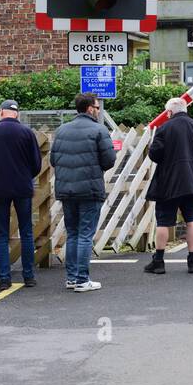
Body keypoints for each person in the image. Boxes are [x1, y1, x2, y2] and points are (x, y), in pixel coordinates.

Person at [50, 93, 116, 291]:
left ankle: (71, 278)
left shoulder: (62, 130)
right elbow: (109, 160)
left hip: (66, 189)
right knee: (85, 235)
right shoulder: (98, 130)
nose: (98, 111)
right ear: (89, 109)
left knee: (73, 234)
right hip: (89, 189)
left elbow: (54, 160)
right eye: (97, 107)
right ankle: (81, 279)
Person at [143, 98, 193, 275]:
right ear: (185, 110)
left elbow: (155, 155)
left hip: (169, 182)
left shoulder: (164, 128)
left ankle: (158, 261)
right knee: (191, 220)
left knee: (164, 221)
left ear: (169, 112)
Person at [0, 99, 42, 290]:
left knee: (2, 234)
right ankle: (29, 276)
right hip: (23, 187)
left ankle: (4, 279)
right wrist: (25, 175)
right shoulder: (27, 132)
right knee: (26, 232)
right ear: (17, 113)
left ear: (1, 112)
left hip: (0, 188)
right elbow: (36, 164)